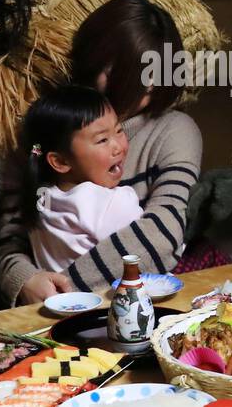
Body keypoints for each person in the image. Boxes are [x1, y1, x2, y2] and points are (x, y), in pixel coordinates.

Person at [0, 0, 201, 304]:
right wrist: (25, 280)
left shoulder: (174, 131)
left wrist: (64, 297)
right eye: (120, 70)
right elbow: (10, 236)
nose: (144, 87)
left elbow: (162, 237)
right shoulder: (46, 127)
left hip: (125, 304)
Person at [20, 84, 144, 275]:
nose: (118, 146)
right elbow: (151, 255)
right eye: (102, 140)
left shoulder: (40, 199)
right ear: (60, 161)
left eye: (119, 131)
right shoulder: (110, 203)